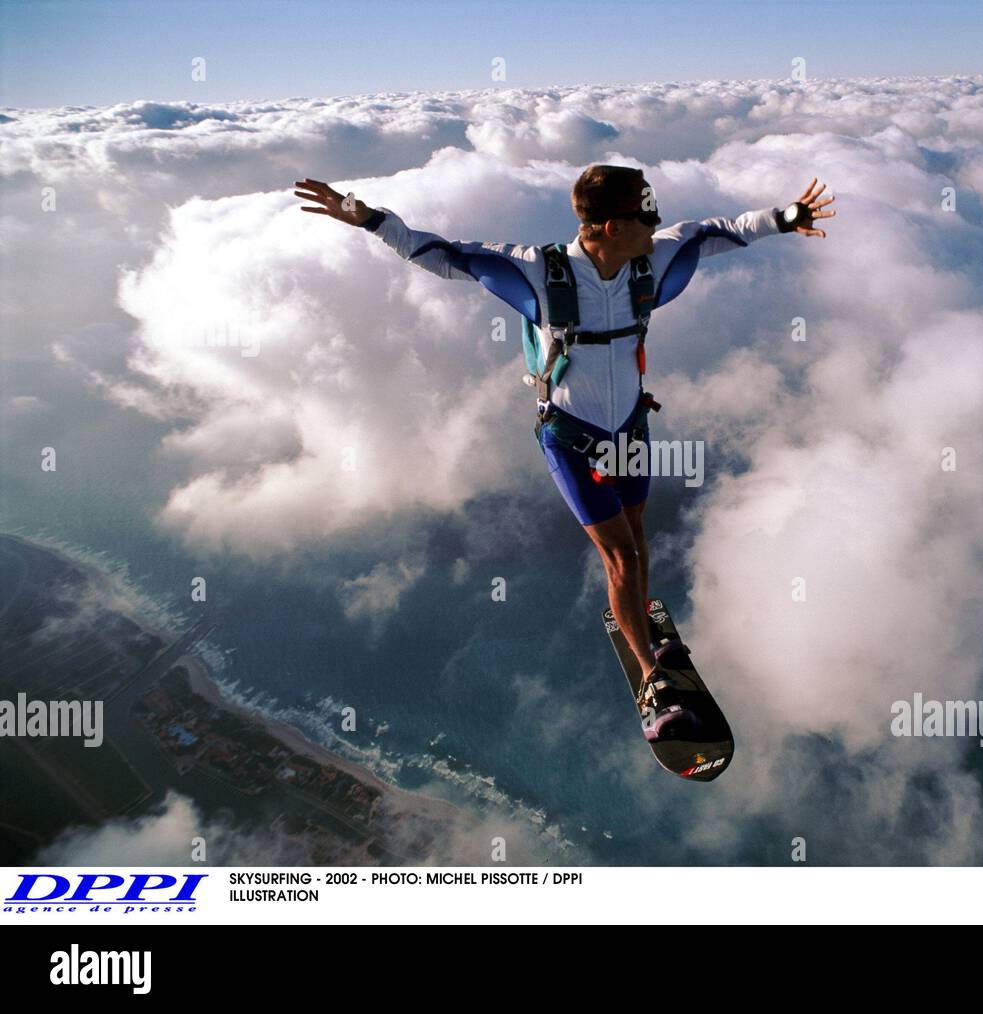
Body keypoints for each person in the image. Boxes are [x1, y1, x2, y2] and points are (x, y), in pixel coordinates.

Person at [294, 165, 834, 738]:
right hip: (574, 439)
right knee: (622, 559)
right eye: (642, 221)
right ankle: (654, 682)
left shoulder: (645, 261)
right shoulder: (537, 272)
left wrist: (785, 217)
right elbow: (443, 254)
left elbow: (714, 231)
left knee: (638, 540)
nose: (654, 230)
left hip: (628, 430)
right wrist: (367, 218)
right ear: (606, 226)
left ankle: (646, 626)